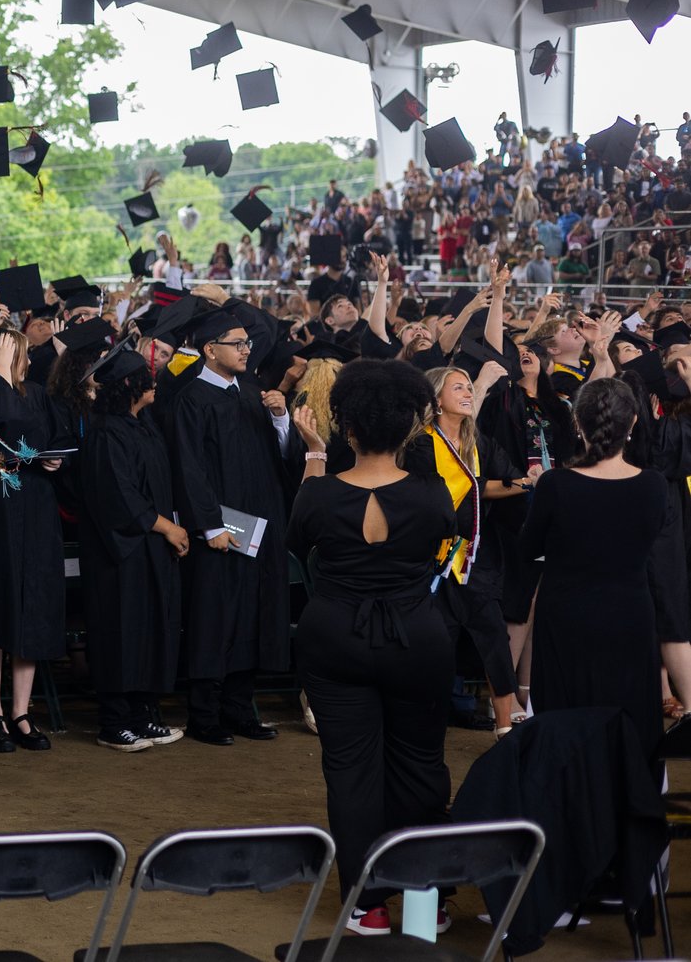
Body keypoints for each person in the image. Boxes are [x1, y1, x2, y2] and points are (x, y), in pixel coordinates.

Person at [287, 361, 455, 937]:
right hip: (416, 638)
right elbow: (442, 529)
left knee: (351, 772)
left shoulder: (320, 494)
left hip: (336, 637)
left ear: (347, 430)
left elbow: (296, 535)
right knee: (420, 765)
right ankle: (425, 894)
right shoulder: (432, 494)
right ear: (409, 426)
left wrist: (314, 453)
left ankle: (367, 904)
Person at [163, 304, 294, 745]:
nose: (245, 349)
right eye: (236, 344)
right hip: (224, 527)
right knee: (215, 617)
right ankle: (204, 715)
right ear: (209, 350)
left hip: (261, 523)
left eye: (247, 343)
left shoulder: (253, 391)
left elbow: (278, 455)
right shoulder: (191, 400)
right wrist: (211, 526)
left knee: (253, 615)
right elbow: (189, 470)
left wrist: (280, 417)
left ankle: (240, 709)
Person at [521, 377, 666, 738]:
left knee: (566, 728)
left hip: (568, 618)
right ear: (633, 421)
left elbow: (527, 549)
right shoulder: (654, 485)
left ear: (577, 422)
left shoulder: (556, 484)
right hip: (630, 615)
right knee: (628, 723)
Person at [0, 317, 66, 753]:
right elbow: (5, 433)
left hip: (36, 507)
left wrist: (53, 459)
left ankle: (21, 712)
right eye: (18, 355)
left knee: (33, 608)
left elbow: (40, 437)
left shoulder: (37, 394)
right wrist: (2, 379)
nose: (27, 361)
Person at [408, 362, 531, 733]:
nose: (467, 393)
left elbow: (486, 483)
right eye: (458, 387)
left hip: (477, 556)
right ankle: (423, 723)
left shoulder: (477, 440)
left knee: (494, 638)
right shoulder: (419, 444)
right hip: (434, 561)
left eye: (469, 388)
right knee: (434, 644)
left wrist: (525, 483)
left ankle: (505, 726)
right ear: (437, 399)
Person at [77, 344, 186, 751]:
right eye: (146, 377)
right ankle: (114, 721)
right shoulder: (105, 432)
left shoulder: (143, 424)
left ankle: (143, 715)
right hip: (119, 554)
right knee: (120, 631)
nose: (153, 382)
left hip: (151, 548)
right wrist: (166, 528)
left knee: (151, 629)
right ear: (128, 385)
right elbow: (118, 498)